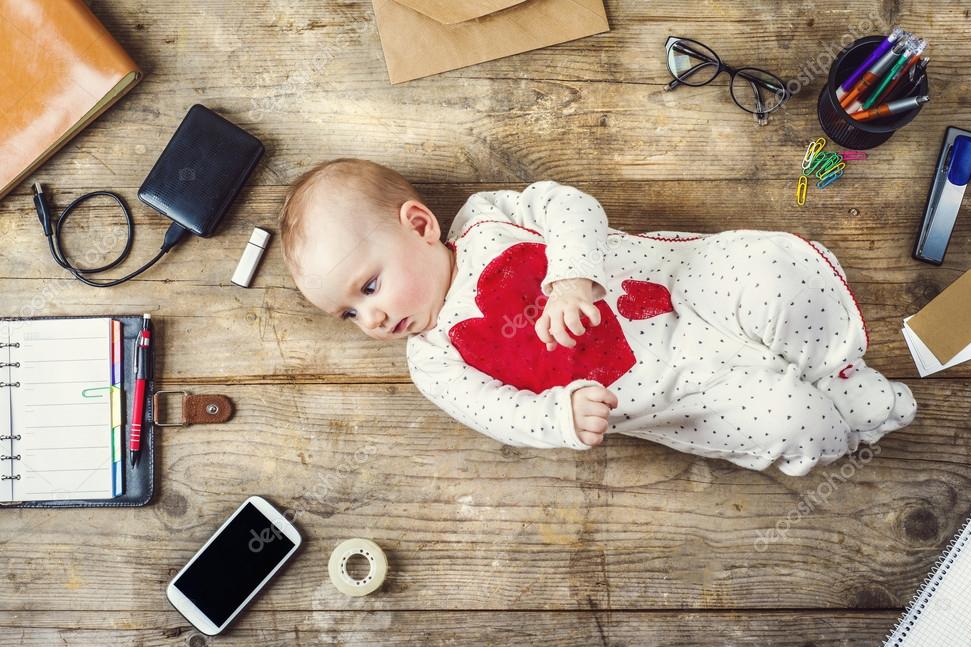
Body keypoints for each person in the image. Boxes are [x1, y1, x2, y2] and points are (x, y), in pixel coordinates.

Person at [279, 158, 916, 476]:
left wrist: (571, 276)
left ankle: (836, 366)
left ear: (418, 226)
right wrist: (560, 416)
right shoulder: (434, 360)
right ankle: (846, 424)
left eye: (368, 285)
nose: (372, 317)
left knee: (772, 277)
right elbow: (498, 413)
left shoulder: (486, 220)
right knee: (783, 418)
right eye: (348, 313)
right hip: (674, 389)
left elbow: (568, 206)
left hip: (677, 287)